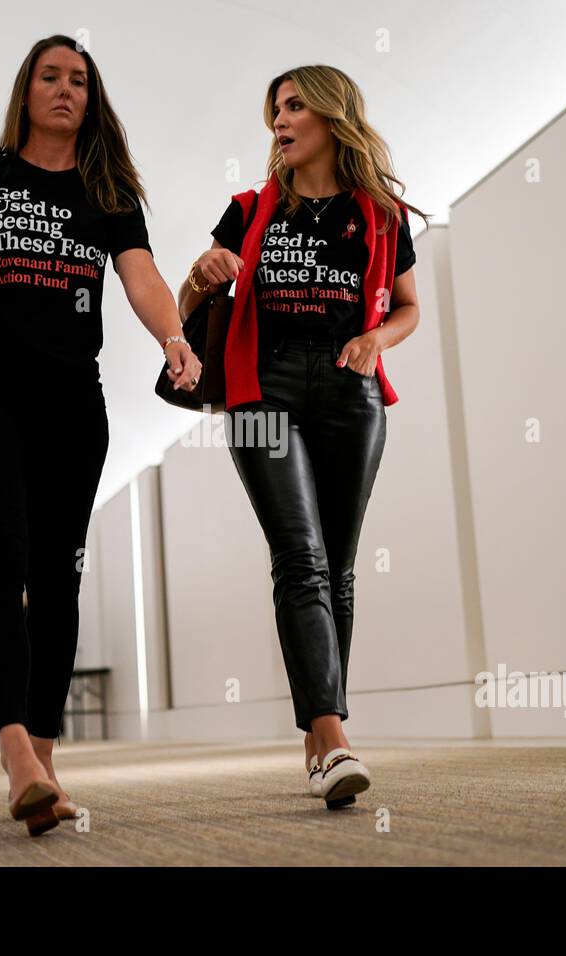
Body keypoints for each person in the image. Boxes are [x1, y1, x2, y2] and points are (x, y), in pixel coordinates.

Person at [0, 34, 200, 836]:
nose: (65, 90)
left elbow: (142, 275)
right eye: (50, 77)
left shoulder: (108, 190)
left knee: (58, 579)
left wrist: (174, 337)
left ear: (91, 98)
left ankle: (44, 764)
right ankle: (15, 749)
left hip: (72, 407)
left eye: (79, 80)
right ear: (26, 91)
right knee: (2, 557)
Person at [179, 65, 425, 811]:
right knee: (301, 556)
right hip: (262, 390)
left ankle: (323, 746)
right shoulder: (251, 209)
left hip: (352, 396)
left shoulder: (381, 214)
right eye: (274, 112)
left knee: (338, 570)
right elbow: (194, 299)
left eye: (292, 107)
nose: (279, 122)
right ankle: (332, 732)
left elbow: (410, 308)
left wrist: (377, 338)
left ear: (329, 114)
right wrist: (200, 273)